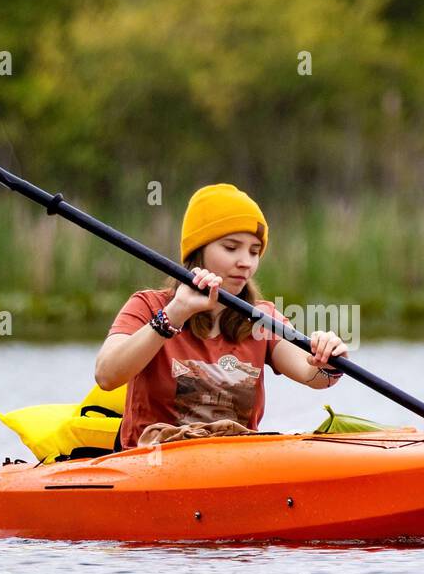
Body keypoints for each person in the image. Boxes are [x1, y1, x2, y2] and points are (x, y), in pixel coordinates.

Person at [95, 183, 348, 449]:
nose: (246, 262)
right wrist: (173, 316)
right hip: (152, 463)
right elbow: (106, 375)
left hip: (232, 464)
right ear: (198, 251)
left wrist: (328, 361)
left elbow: (311, 374)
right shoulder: (147, 305)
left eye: (253, 251)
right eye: (231, 248)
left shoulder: (262, 317)